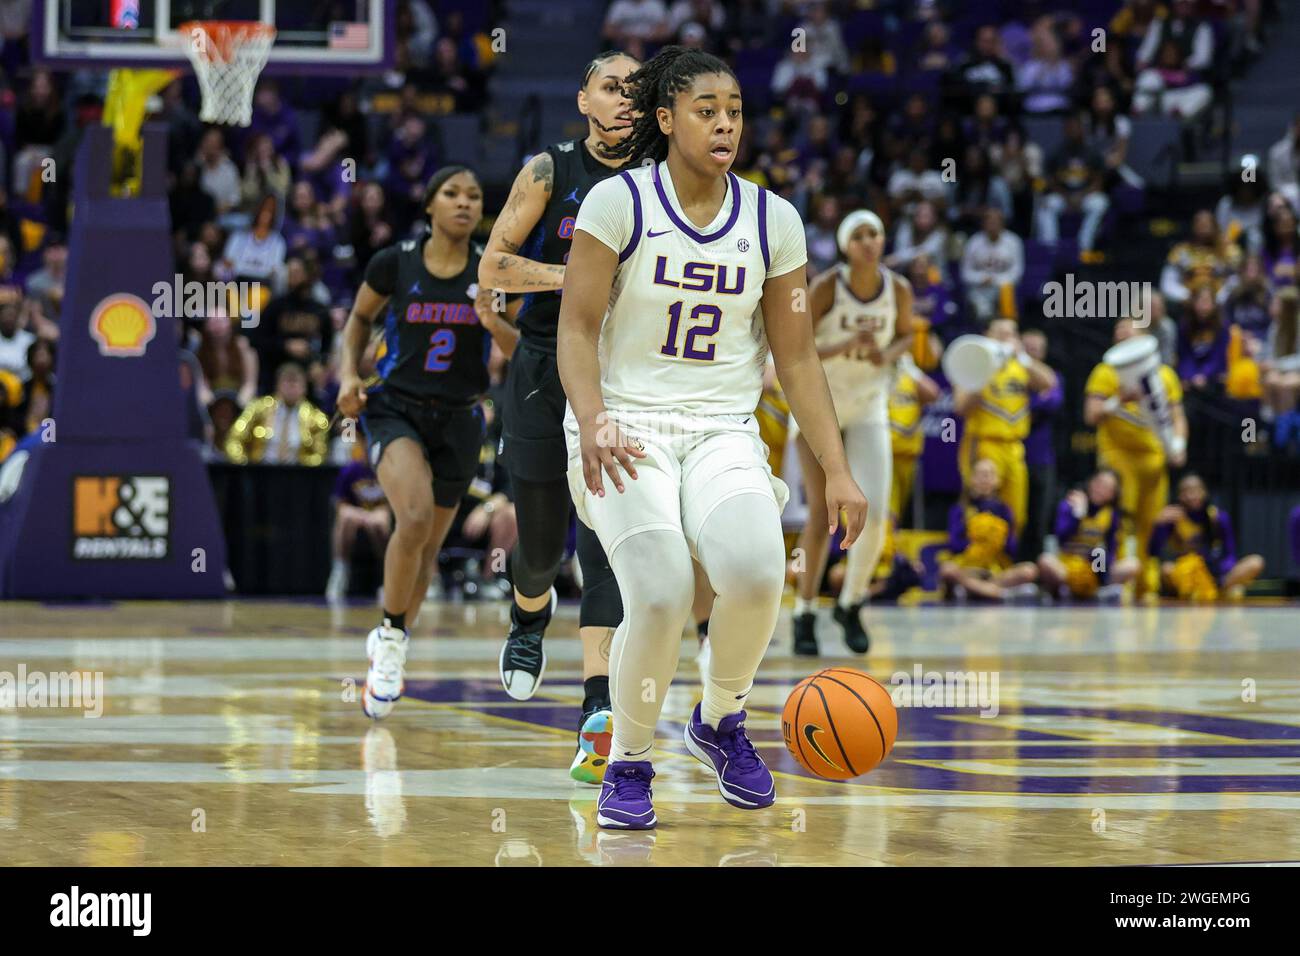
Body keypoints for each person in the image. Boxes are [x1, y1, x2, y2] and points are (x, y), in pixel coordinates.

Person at [558, 46, 866, 829]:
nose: (725, 122)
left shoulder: (774, 219)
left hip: (722, 426)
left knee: (761, 574)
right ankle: (628, 762)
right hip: (623, 424)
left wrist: (837, 470)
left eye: (734, 109)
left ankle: (720, 718)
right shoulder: (617, 204)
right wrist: (592, 417)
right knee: (659, 592)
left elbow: (795, 357)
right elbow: (576, 327)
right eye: (706, 109)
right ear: (666, 120)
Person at [478, 52, 639, 783]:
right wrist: (576, 278)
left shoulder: (665, 177)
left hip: (628, 373)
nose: (624, 100)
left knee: (609, 539)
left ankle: (597, 714)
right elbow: (494, 270)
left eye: (637, 90)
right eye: (610, 86)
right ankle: (529, 613)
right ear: (584, 99)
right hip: (545, 364)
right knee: (541, 547)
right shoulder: (550, 171)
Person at [336, 166, 516, 720]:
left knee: (426, 551)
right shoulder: (396, 261)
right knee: (410, 521)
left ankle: (395, 643)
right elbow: (359, 320)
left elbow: (514, 347)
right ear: (430, 207)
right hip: (396, 409)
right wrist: (347, 375)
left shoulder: (493, 268)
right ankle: (390, 637)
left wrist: (492, 320)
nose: (464, 203)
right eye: (452, 194)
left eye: (474, 196)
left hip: (461, 419)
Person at [791, 209, 914, 656]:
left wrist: (887, 354)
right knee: (823, 515)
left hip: (867, 407)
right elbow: (796, 346)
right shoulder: (826, 287)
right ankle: (804, 610)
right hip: (817, 407)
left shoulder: (898, 289)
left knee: (876, 511)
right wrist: (845, 346)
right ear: (845, 244)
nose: (869, 241)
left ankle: (851, 600)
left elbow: (904, 337)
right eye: (860, 234)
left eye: (876, 233)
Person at [1084, 317, 1188, 595]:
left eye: (1129, 329)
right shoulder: (1105, 372)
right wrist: (1118, 401)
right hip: (1118, 456)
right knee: (1121, 520)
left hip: (1153, 457)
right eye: (1118, 330)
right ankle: (1119, 581)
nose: (1123, 333)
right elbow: (1090, 415)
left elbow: (1177, 416)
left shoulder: (1165, 375)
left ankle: (1147, 583)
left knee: (1152, 523)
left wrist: (1178, 445)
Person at [953, 318, 1058, 534]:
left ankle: (1005, 560)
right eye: (999, 333)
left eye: (1010, 333)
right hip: (984, 443)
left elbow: (1049, 382)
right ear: (987, 336)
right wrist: (986, 371)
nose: (1005, 338)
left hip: (1014, 446)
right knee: (980, 507)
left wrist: (1023, 357)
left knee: (1015, 512)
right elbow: (960, 406)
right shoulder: (973, 363)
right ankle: (977, 559)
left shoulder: (1020, 365)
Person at [1150, 473, 1264, 601]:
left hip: (1216, 573)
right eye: (1186, 491)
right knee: (1166, 570)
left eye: (1195, 490)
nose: (1191, 496)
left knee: (1255, 562)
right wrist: (1159, 526)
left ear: (1204, 492)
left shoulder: (1218, 517)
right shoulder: (1173, 518)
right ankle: (1206, 592)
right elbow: (1153, 551)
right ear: (1179, 495)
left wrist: (1219, 573)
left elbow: (1230, 554)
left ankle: (1218, 589)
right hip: (1187, 575)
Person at [938, 458, 1038, 601]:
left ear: (997, 481)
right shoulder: (960, 509)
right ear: (971, 479)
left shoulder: (1004, 510)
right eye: (980, 474)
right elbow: (954, 545)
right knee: (947, 570)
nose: (985, 479)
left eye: (989, 474)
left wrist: (998, 539)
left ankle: (974, 590)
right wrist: (977, 542)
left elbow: (1012, 550)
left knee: (1029, 570)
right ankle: (999, 593)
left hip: (995, 570)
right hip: (968, 568)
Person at [1037, 469, 1139, 601]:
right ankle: (1066, 588)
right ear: (1091, 482)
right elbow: (1061, 537)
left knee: (1128, 562)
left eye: (1107, 488)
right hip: (1069, 564)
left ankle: (1099, 588)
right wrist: (1078, 515)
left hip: (1096, 567)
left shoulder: (1111, 514)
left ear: (1113, 494)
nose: (1100, 489)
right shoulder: (1071, 503)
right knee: (1045, 561)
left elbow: (1112, 547)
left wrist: (1103, 566)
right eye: (1099, 483)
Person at [224, 362, 331, 465]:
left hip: (298, 476)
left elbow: (321, 454)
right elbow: (234, 438)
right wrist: (245, 466)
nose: (291, 387)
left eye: (295, 382)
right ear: (277, 385)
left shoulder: (316, 418)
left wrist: (303, 468)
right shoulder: (258, 408)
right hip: (260, 473)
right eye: (286, 382)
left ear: (304, 388)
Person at [326, 457, 392, 601]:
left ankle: (387, 577)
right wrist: (361, 514)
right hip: (357, 513)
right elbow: (340, 504)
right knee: (345, 518)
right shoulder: (350, 470)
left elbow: (393, 505)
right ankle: (340, 572)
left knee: (380, 522)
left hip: (380, 514)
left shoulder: (389, 468)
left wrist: (376, 514)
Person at [888, 351, 940, 522]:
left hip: (908, 453)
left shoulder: (909, 377)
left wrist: (911, 371)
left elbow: (933, 394)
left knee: (900, 508)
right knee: (887, 510)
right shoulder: (877, 378)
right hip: (884, 453)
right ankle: (885, 547)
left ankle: (890, 544)